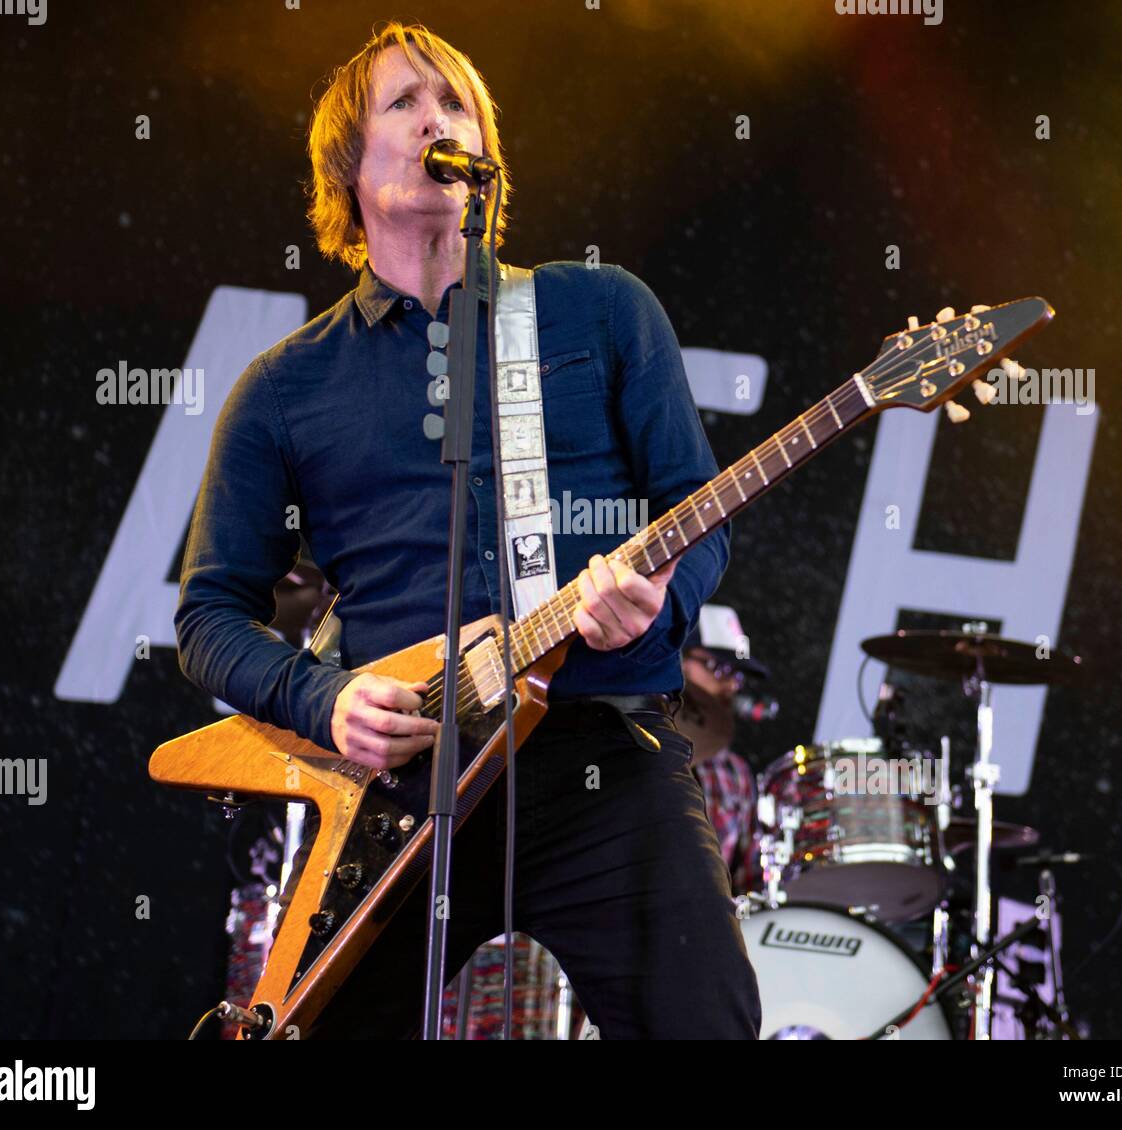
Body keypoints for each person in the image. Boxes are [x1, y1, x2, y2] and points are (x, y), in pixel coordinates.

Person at [174, 21, 759, 1039]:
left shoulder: (602, 310)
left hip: (599, 749)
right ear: (347, 164)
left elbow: (694, 511)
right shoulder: (284, 389)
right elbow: (210, 614)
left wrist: (662, 594)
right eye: (404, 103)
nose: (437, 117)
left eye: (456, 104)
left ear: (481, 155)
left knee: (704, 1020)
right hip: (401, 788)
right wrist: (327, 698)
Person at [676, 604, 769, 896]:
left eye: (737, 676)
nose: (731, 685)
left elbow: (747, 878)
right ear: (677, 659)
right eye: (720, 668)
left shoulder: (736, 773)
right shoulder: (626, 741)